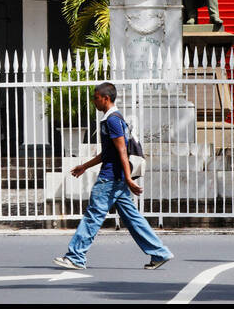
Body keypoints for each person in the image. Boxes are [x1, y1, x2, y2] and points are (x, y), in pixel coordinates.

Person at [53, 82, 172, 271]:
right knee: (133, 218)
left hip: (110, 178)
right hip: (116, 177)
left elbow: (122, 151)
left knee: (93, 215)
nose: (94, 101)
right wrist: (84, 166)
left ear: (106, 98)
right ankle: (159, 252)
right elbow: (107, 153)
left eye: (96, 97)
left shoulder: (113, 120)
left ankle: (76, 256)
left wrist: (128, 178)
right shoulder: (112, 119)